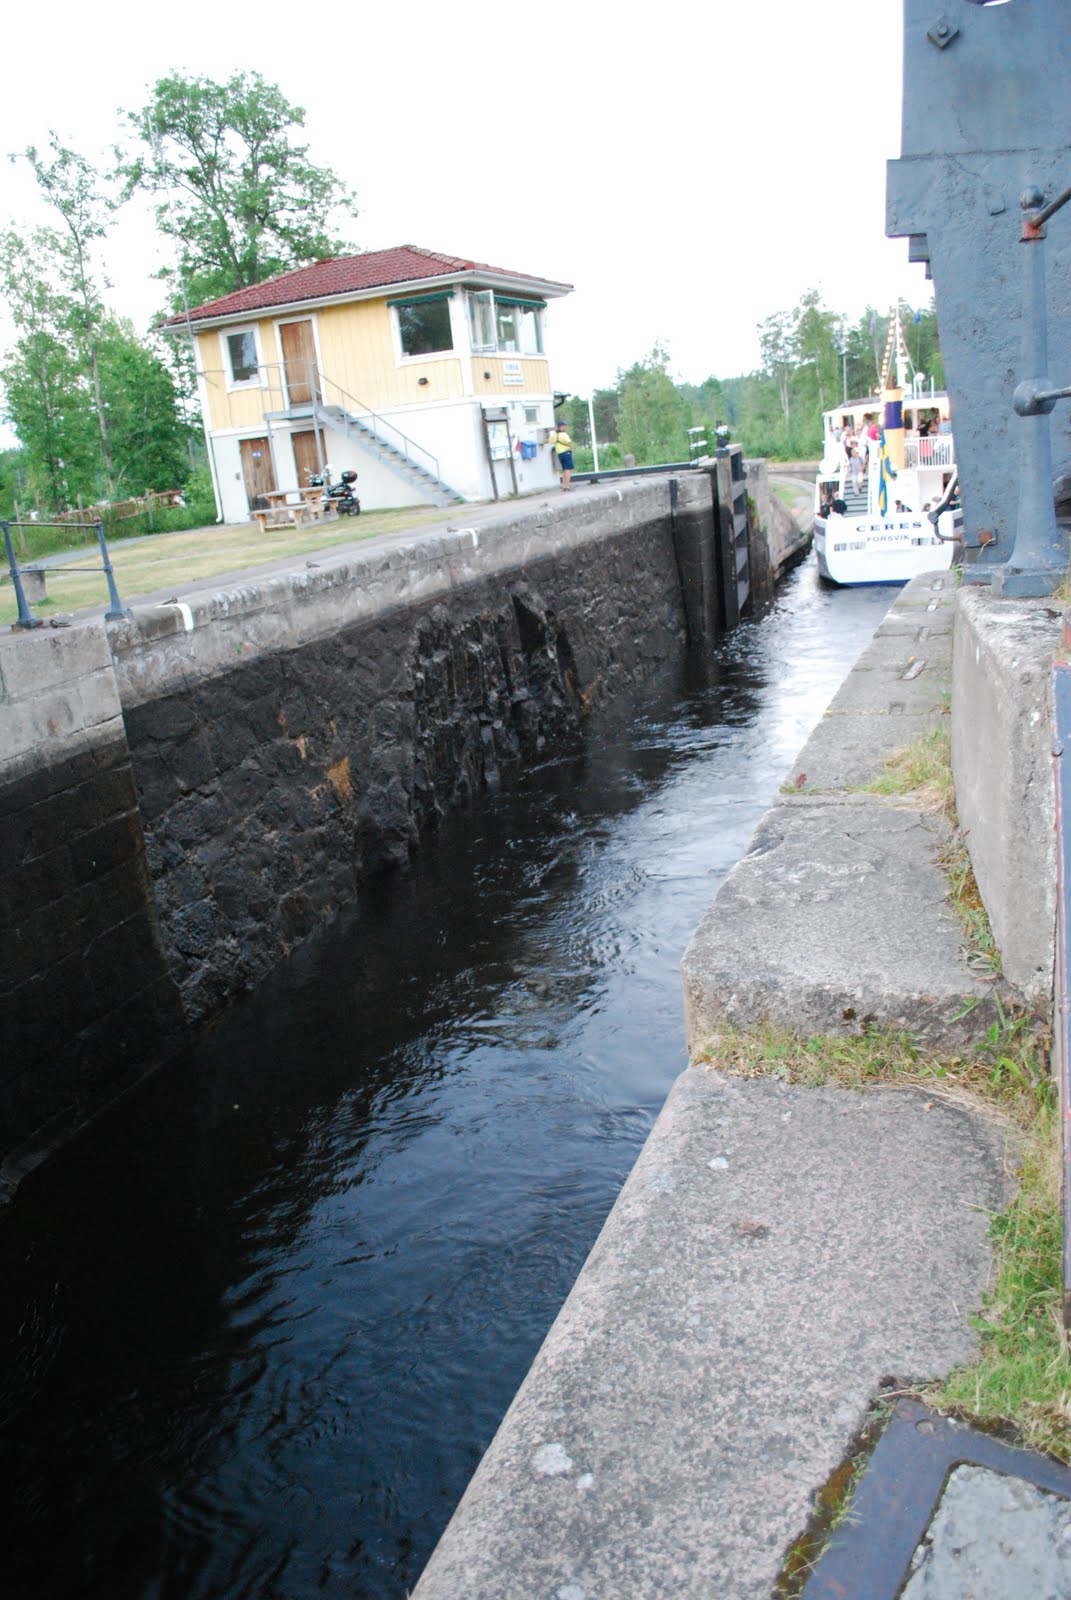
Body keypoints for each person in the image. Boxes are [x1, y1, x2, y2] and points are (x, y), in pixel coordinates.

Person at [549, 420, 574, 490]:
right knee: (568, 470)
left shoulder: (555, 435)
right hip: (566, 453)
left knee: (564, 470)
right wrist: (571, 450)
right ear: (562, 426)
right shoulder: (564, 434)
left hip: (560, 454)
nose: (566, 427)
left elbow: (550, 441)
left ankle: (564, 486)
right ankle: (567, 486)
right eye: (565, 426)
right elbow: (569, 442)